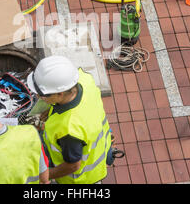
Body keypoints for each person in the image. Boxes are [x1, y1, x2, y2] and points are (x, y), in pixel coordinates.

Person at [27, 55, 123, 184]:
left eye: (42, 95)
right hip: (100, 148)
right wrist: (52, 109)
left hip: (82, 179)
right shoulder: (84, 80)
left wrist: (44, 175)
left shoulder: (68, 130)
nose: (38, 97)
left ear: (60, 94)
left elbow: (72, 165)